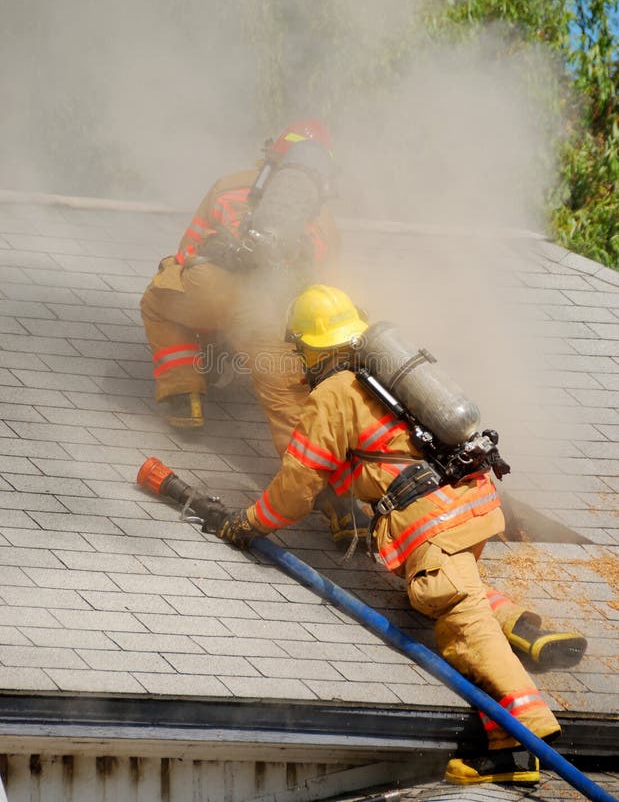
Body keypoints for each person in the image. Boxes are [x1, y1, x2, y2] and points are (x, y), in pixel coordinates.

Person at [197, 284, 588, 787]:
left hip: (431, 519)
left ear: (312, 347)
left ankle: (520, 744)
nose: (296, 358)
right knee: (453, 582)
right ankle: (524, 627)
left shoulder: (334, 394)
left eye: (299, 348)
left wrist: (249, 522)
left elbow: (297, 484)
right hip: (471, 501)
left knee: (456, 613)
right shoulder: (384, 378)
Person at [140, 120, 340, 454]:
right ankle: (319, 486)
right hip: (268, 310)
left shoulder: (229, 184)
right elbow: (319, 286)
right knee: (286, 406)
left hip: (212, 289)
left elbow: (187, 251)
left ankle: (183, 394)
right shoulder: (323, 218)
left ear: (271, 152)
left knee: (159, 298)